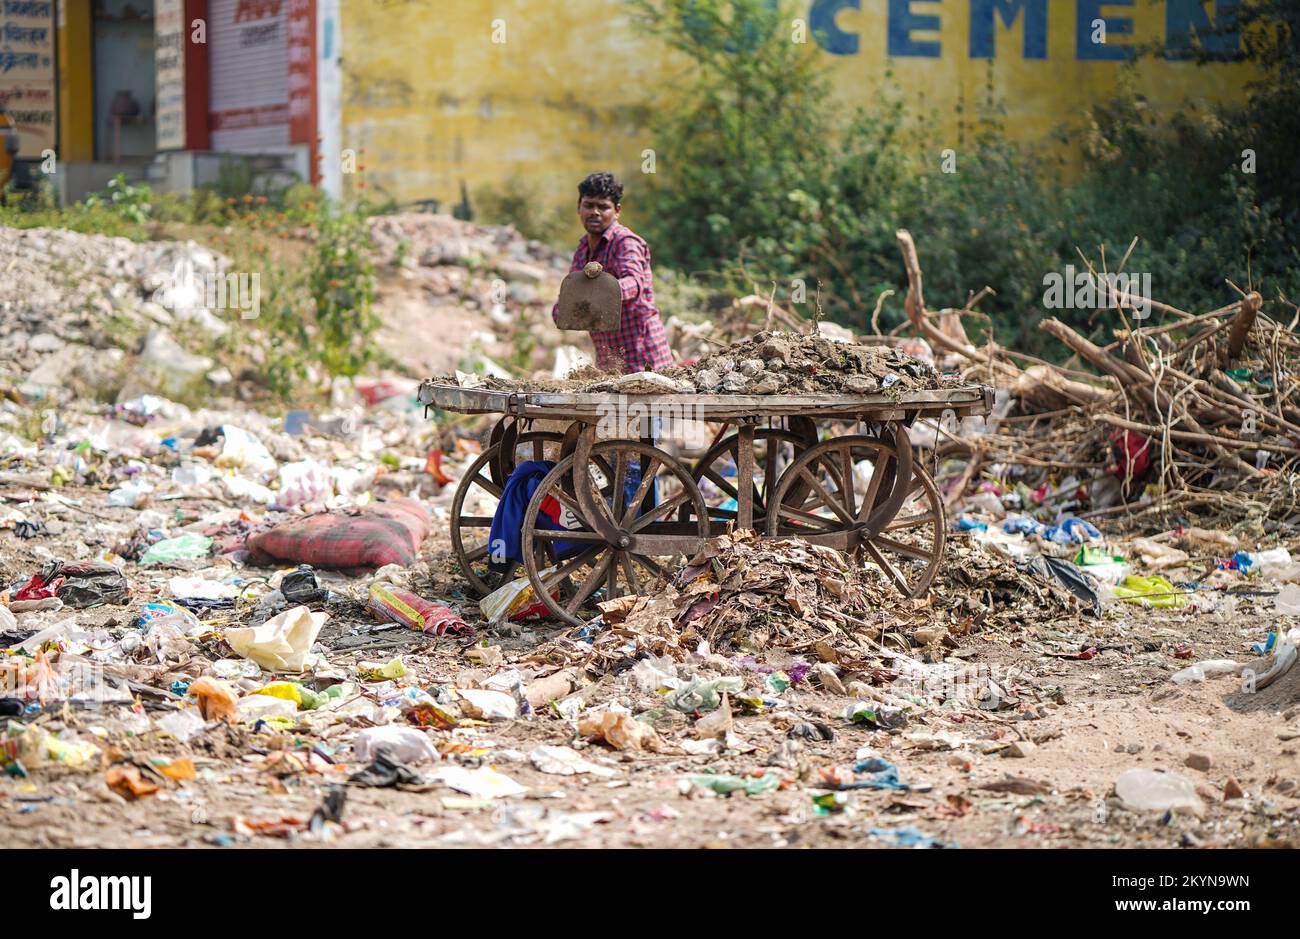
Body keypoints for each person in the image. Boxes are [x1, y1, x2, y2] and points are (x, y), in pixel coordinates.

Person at [552, 172, 673, 375]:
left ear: (616, 211)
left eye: (603, 206)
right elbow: (569, 299)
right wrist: (563, 309)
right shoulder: (583, 248)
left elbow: (634, 283)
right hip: (609, 359)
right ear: (579, 208)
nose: (595, 212)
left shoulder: (625, 242)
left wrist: (598, 293)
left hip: (644, 358)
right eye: (589, 205)